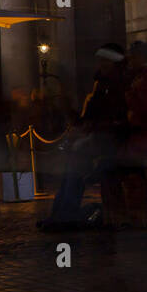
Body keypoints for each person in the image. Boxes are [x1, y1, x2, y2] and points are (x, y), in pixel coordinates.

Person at [40, 42, 128, 230]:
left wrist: (91, 125)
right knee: (71, 165)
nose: (102, 64)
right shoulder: (101, 84)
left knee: (76, 162)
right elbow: (88, 118)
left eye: (107, 60)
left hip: (113, 139)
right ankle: (60, 213)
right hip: (99, 136)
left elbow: (118, 118)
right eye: (101, 60)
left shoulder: (119, 84)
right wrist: (68, 111)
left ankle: (65, 214)